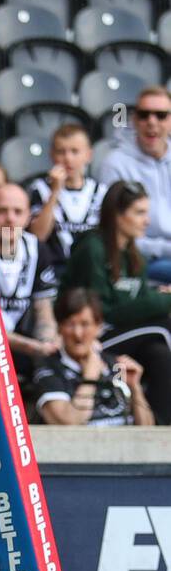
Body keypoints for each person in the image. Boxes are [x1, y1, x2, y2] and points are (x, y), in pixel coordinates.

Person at [63, 180, 171, 424]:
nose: (147, 221)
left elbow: (142, 303)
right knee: (163, 327)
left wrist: (160, 300)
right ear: (117, 215)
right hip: (92, 340)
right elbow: (103, 312)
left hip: (126, 336)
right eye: (139, 213)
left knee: (159, 353)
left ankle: (164, 430)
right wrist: (163, 302)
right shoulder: (93, 249)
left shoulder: (135, 256)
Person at [34, 288, 153, 427]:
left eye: (85, 324)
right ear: (59, 327)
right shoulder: (49, 368)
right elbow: (67, 423)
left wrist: (135, 388)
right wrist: (90, 377)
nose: (78, 333)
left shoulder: (115, 364)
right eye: (70, 324)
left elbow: (147, 429)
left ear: (98, 327)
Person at [96, 86, 171, 285]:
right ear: (134, 120)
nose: (152, 122)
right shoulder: (115, 163)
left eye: (161, 115)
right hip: (137, 256)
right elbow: (113, 230)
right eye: (144, 115)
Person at [0, 182, 60, 361]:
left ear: (28, 217)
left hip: (23, 347)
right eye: (2, 211)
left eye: (18, 212)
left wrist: (47, 342)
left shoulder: (38, 250)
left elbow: (44, 309)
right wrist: (30, 346)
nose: (10, 218)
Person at [27, 123, 106, 261]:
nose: (68, 158)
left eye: (75, 151)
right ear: (51, 155)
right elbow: (38, 236)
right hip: (54, 269)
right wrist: (55, 191)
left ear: (88, 155)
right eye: (61, 152)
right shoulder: (39, 189)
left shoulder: (101, 192)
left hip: (91, 267)